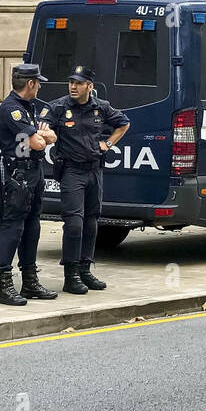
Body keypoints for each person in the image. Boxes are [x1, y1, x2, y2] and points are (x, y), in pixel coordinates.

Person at [50, 66, 130, 294]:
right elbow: (43, 127)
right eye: (71, 82)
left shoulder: (101, 108)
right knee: (74, 223)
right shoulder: (59, 107)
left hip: (94, 170)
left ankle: (85, 269)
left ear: (89, 86)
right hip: (71, 172)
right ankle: (71, 274)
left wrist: (109, 144)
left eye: (78, 83)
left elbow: (124, 123)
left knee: (91, 222)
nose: (73, 87)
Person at [0, 63, 58, 305]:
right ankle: (5, 283)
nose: (40, 86)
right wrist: (43, 136)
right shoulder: (12, 109)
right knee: (14, 227)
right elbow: (39, 143)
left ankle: (29, 281)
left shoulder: (30, 107)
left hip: (35, 172)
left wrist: (45, 136)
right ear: (30, 84)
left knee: (33, 226)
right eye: (38, 82)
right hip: (17, 176)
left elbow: (51, 135)